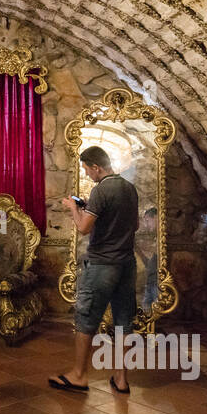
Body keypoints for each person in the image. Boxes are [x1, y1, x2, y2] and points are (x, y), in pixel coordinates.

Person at [49, 146, 139, 395]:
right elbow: (135, 225)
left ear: (96, 167)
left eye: (87, 169)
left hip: (102, 265)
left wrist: (73, 207)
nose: (87, 174)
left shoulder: (101, 190)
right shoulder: (129, 188)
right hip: (126, 263)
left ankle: (78, 375)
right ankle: (121, 379)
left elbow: (83, 228)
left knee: (86, 318)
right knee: (124, 321)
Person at [139, 206, 159, 311]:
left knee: (157, 311)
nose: (147, 225)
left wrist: (147, 247)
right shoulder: (156, 237)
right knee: (146, 310)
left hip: (157, 283)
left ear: (156, 217)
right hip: (150, 282)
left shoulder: (161, 238)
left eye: (148, 221)